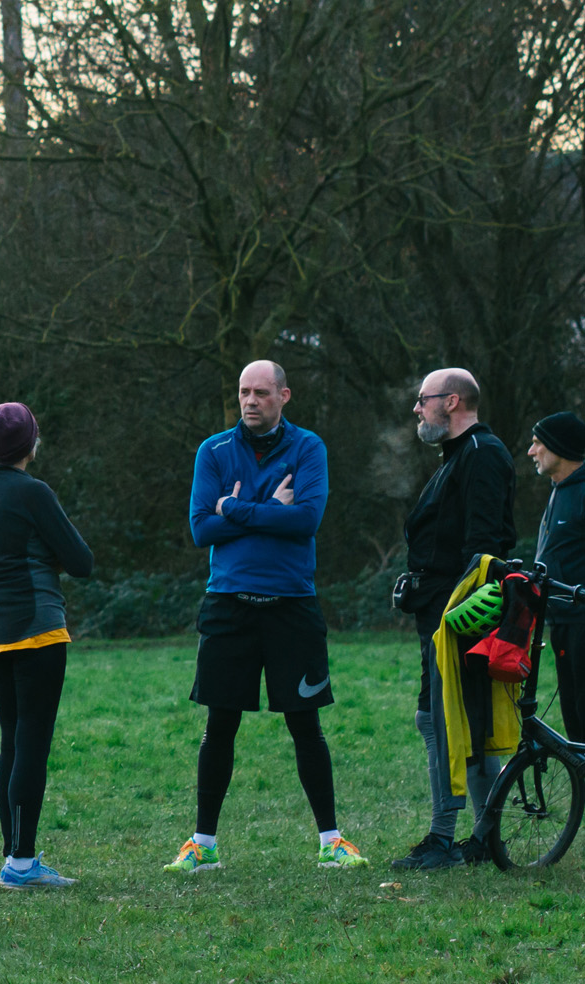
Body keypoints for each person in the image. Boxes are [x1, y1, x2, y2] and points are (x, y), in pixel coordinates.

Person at [163, 359, 365, 873]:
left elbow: (306, 520)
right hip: (228, 606)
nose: (250, 401)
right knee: (219, 725)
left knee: (306, 726)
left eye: (260, 392)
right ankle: (202, 846)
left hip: (291, 606)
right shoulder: (213, 451)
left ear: (284, 396)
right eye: (243, 392)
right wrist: (268, 509)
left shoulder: (309, 447)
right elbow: (200, 530)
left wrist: (234, 509)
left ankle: (332, 842)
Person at [0, 401, 95, 889]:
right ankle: (21, 864)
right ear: (31, 444)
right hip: (38, 629)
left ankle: (14, 853)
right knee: (32, 743)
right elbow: (81, 562)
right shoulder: (33, 492)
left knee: (12, 741)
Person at [389, 368, 518, 869]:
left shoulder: (482, 454)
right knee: (446, 718)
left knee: (446, 720)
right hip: (440, 611)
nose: (417, 408)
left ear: (452, 401)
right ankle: (483, 837)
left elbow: (483, 547)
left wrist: (460, 611)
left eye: (423, 399)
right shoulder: (458, 455)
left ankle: (446, 839)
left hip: (460, 615)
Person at [528, 411, 585, 740]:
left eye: (537, 443)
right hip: (560, 621)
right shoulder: (558, 490)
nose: (531, 451)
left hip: (581, 622)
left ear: (559, 447)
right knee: (573, 720)